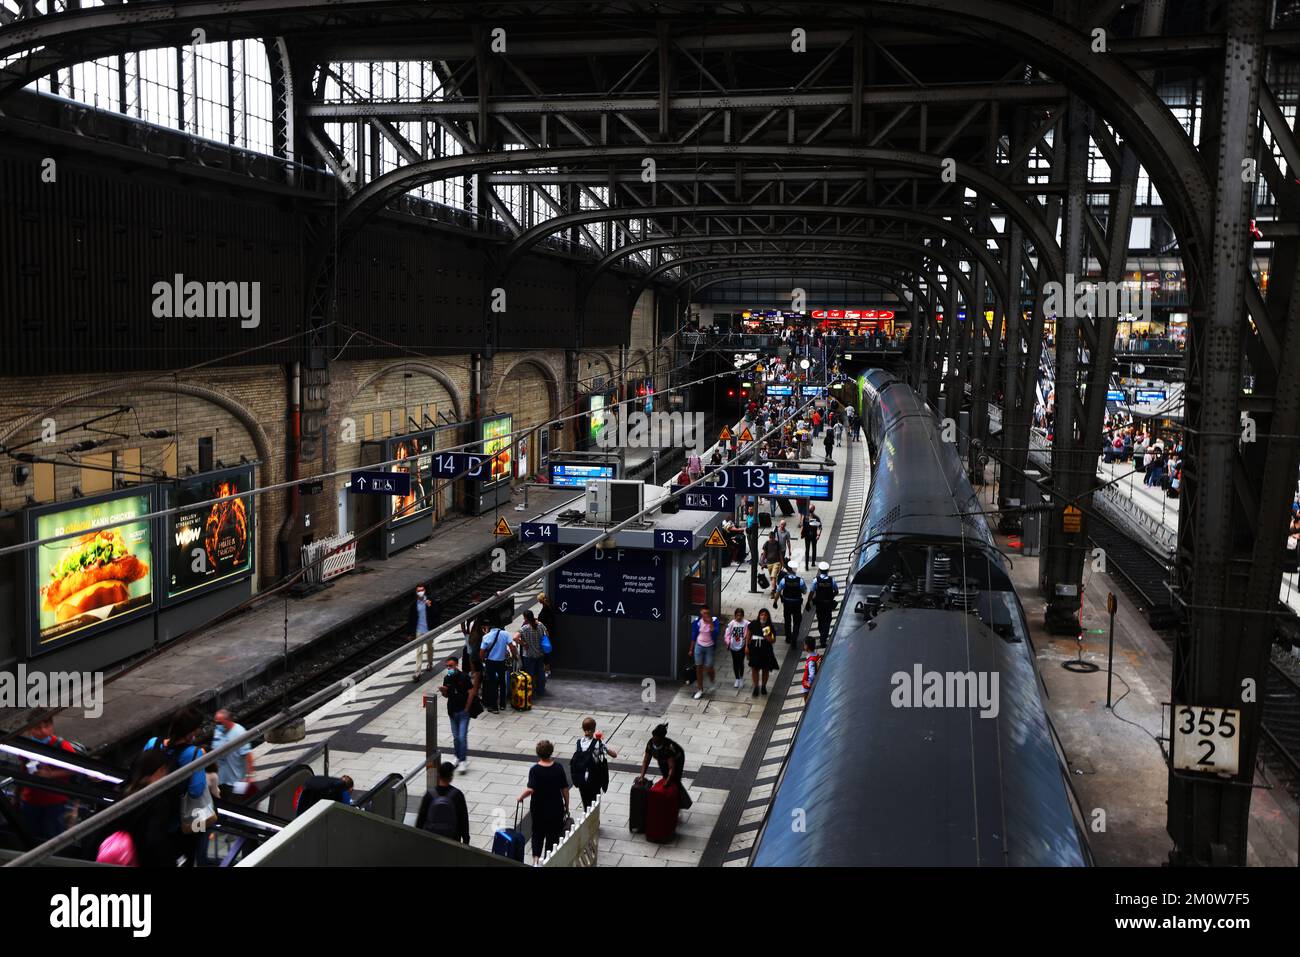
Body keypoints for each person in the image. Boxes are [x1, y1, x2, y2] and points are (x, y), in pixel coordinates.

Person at [143, 707, 211, 866]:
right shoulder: (193, 753)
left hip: (148, 815)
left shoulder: (153, 743)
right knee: (187, 851)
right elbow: (196, 790)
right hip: (176, 822)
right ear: (191, 732)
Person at [16, 716, 78, 843]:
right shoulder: (25, 746)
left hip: (55, 801)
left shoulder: (62, 746)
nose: (43, 731)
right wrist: (17, 796)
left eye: (47, 726)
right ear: (30, 730)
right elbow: (22, 772)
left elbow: (75, 768)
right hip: (30, 800)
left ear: (52, 727)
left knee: (53, 838)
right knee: (30, 837)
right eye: (38, 728)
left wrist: (52, 775)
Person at [517, 741, 570, 863]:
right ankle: (547, 861)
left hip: (538, 809)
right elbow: (565, 790)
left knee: (537, 834)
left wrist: (520, 797)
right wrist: (566, 806)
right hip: (555, 808)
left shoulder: (535, 770)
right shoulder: (558, 768)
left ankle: (535, 860)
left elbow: (531, 789)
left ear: (538, 754)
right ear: (551, 752)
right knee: (553, 835)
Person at [437, 655, 477, 772]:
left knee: (462, 737)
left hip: (463, 712)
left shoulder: (464, 677)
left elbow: (471, 692)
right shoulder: (447, 678)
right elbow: (446, 695)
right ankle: (457, 756)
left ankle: (463, 760)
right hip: (452, 711)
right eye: (447, 666)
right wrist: (443, 691)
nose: (449, 668)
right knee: (456, 737)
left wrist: (467, 708)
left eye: (450, 666)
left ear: (456, 665)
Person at [415, 762, 470, 844]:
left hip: (432, 839)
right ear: (451, 777)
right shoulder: (457, 795)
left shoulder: (429, 794)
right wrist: (466, 839)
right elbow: (463, 819)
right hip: (453, 839)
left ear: (439, 775)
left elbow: (421, 819)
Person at [571, 717, 618, 811]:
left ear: (583, 729)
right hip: (594, 779)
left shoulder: (578, 743)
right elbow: (614, 755)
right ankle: (594, 820)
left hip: (581, 779)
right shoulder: (597, 743)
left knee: (585, 801)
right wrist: (601, 741)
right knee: (594, 802)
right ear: (594, 729)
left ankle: (586, 816)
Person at [638, 724, 690, 806]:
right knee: (665, 776)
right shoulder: (650, 744)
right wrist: (642, 776)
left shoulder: (668, 747)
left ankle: (682, 802)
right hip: (662, 758)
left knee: (674, 780)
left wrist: (668, 781)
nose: (654, 741)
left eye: (657, 741)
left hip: (677, 758)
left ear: (662, 739)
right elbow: (646, 761)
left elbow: (671, 767)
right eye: (653, 739)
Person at [211, 709, 254, 801]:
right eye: (216, 723)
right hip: (220, 779)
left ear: (228, 720)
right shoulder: (218, 731)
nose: (217, 725)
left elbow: (248, 755)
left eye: (220, 723)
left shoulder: (240, 732)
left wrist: (249, 776)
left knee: (235, 805)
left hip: (235, 781)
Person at [479, 621, 517, 714]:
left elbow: (482, 652)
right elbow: (512, 646)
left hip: (491, 662)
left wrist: (483, 660)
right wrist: (514, 656)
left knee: (492, 684)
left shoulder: (486, 636)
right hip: (501, 662)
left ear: (489, 627)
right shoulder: (505, 634)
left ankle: (494, 707)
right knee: (502, 682)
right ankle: (502, 704)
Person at [746, 608, 779, 696]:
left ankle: (763, 686)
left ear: (767, 617)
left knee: (765, 669)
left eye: (765, 615)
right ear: (759, 615)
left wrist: (768, 638)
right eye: (762, 614)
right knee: (754, 669)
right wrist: (746, 647)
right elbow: (748, 635)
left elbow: (773, 640)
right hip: (755, 649)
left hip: (766, 650)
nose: (763, 616)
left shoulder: (770, 627)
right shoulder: (753, 624)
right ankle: (756, 687)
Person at [806, 562, 839, 649]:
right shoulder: (832, 580)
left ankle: (822, 636)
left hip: (819, 605)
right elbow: (836, 591)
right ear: (827, 570)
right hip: (828, 605)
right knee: (827, 621)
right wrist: (831, 596)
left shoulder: (816, 580)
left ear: (820, 570)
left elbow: (812, 592)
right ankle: (823, 638)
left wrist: (808, 602)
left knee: (820, 621)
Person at [689, 605, 720, 699]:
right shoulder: (697, 621)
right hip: (699, 646)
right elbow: (694, 635)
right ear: (701, 613)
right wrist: (691, 649)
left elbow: (715, 633)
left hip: (709, 646)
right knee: (699, 668)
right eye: (703, 613)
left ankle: (712, 681)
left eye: (707, 613)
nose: (705, 615)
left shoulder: (714, 620)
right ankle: (700, 689)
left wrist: (710, 623)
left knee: (709, 667)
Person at [516, 609, 547, 698]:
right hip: (540, 653)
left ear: (525, 618)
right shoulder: (540, 625)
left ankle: (530, 691)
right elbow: (547, 635)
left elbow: (515, 638)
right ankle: (541, 690)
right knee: (540, 672)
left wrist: (524, 644)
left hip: (528, 655)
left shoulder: (524, 628)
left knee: (530, 674)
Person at [410, 584, 437, 681]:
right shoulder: (414, 604)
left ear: (425, 591)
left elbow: (437, 612)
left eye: (422, 590)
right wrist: (410, 633)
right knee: (419, 651)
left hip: (429, 630)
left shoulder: (430, 601)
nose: (420, 592)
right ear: (416, 592)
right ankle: (417, 672)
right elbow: (411, 619)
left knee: (430, 648)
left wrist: (430, 606)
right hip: (419, 631)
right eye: (418, 590)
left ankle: (430, 663)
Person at [777, 564, 807, 645]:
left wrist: (775, 601)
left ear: (788, 569)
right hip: (797, 604)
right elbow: (804, 591)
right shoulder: (800, 580)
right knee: (797, 621)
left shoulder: (784, 580)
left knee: (787, 620)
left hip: (787, 603)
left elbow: (778, 590)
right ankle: (794, 637)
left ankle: (788, 637)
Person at [724, 608, 750, 690]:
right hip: (733, 646)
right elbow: (727, 634)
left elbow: (752, 627)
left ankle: (741, 678)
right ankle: (737, 679)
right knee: (735, 663)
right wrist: (728, 642)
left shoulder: (746, 623)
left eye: (740, 615)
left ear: (743, 616)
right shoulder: (732, 623)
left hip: (741, 646)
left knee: (741, 662)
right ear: (735, 615)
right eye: (737, 615)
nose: (739, 617)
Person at [537, 593, 557, 678]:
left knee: (545, 652)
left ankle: (547, 670)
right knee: (546, 652)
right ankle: (547, 669)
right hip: (549, 632)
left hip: (546, 634)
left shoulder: (546, 609)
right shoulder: (549, 607)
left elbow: (545, 621)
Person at [761, 532, 784, 600]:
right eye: (770, 538)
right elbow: (764, 554)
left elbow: (780, 554)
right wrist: (762, 563)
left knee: (773, 576)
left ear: (774, 537)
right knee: (772, 578)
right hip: (769, 563)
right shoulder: (766, 543)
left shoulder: (777, 544)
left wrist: (782, 563)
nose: (771, 539)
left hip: (776, 563)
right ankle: (775, 588)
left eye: (772, 538)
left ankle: (773, 591)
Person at [800, 504, 823, 569]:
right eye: (809, 510)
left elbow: (820, 527)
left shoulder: (816, 518)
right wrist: (801, 533)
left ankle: (813, 561)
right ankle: (806, 565)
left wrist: (818, 535)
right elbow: (803, 525)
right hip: (807, 535)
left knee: (814, 548)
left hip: (814, 535)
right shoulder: (806, 517)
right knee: (807, 550)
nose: (810, 512)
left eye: (811, 511)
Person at [801, 636, 820, 705]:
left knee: (807, 703)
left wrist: (809, 682)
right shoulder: (816, 656)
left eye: (804, 644)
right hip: (809, 684)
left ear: (807, 646)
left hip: (807, 685)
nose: (804, 646)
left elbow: (812, 674)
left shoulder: (811, 660)